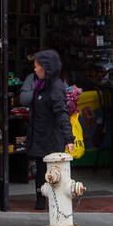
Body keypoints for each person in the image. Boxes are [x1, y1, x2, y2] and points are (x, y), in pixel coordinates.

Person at [25, 48, 75, 210]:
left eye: (37, 65)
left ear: (46, 67)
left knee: (52, 174)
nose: (35, 69)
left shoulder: (55, 87)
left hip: (51, 140)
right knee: (40, 172)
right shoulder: (41, 84)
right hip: (40, 137)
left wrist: (69, 139)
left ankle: (56, 208)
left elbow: (62, 113)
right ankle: (40, 204)